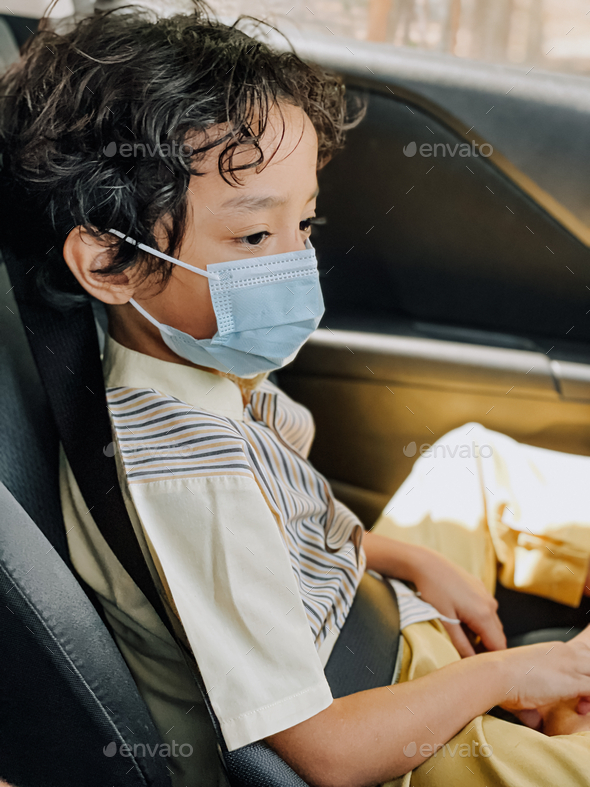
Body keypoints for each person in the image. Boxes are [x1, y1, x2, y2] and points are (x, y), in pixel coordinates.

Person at [2, 6, 590, 787]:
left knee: (471, 463)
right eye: (253, 238)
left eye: (303, 224)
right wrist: (513, 675)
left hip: (359, 605)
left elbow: (287, 519)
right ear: (110, 264)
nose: (294, 264)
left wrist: (407, 556)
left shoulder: (185, 353)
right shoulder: (189, 471)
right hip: (389, 724)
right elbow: (325, 751)